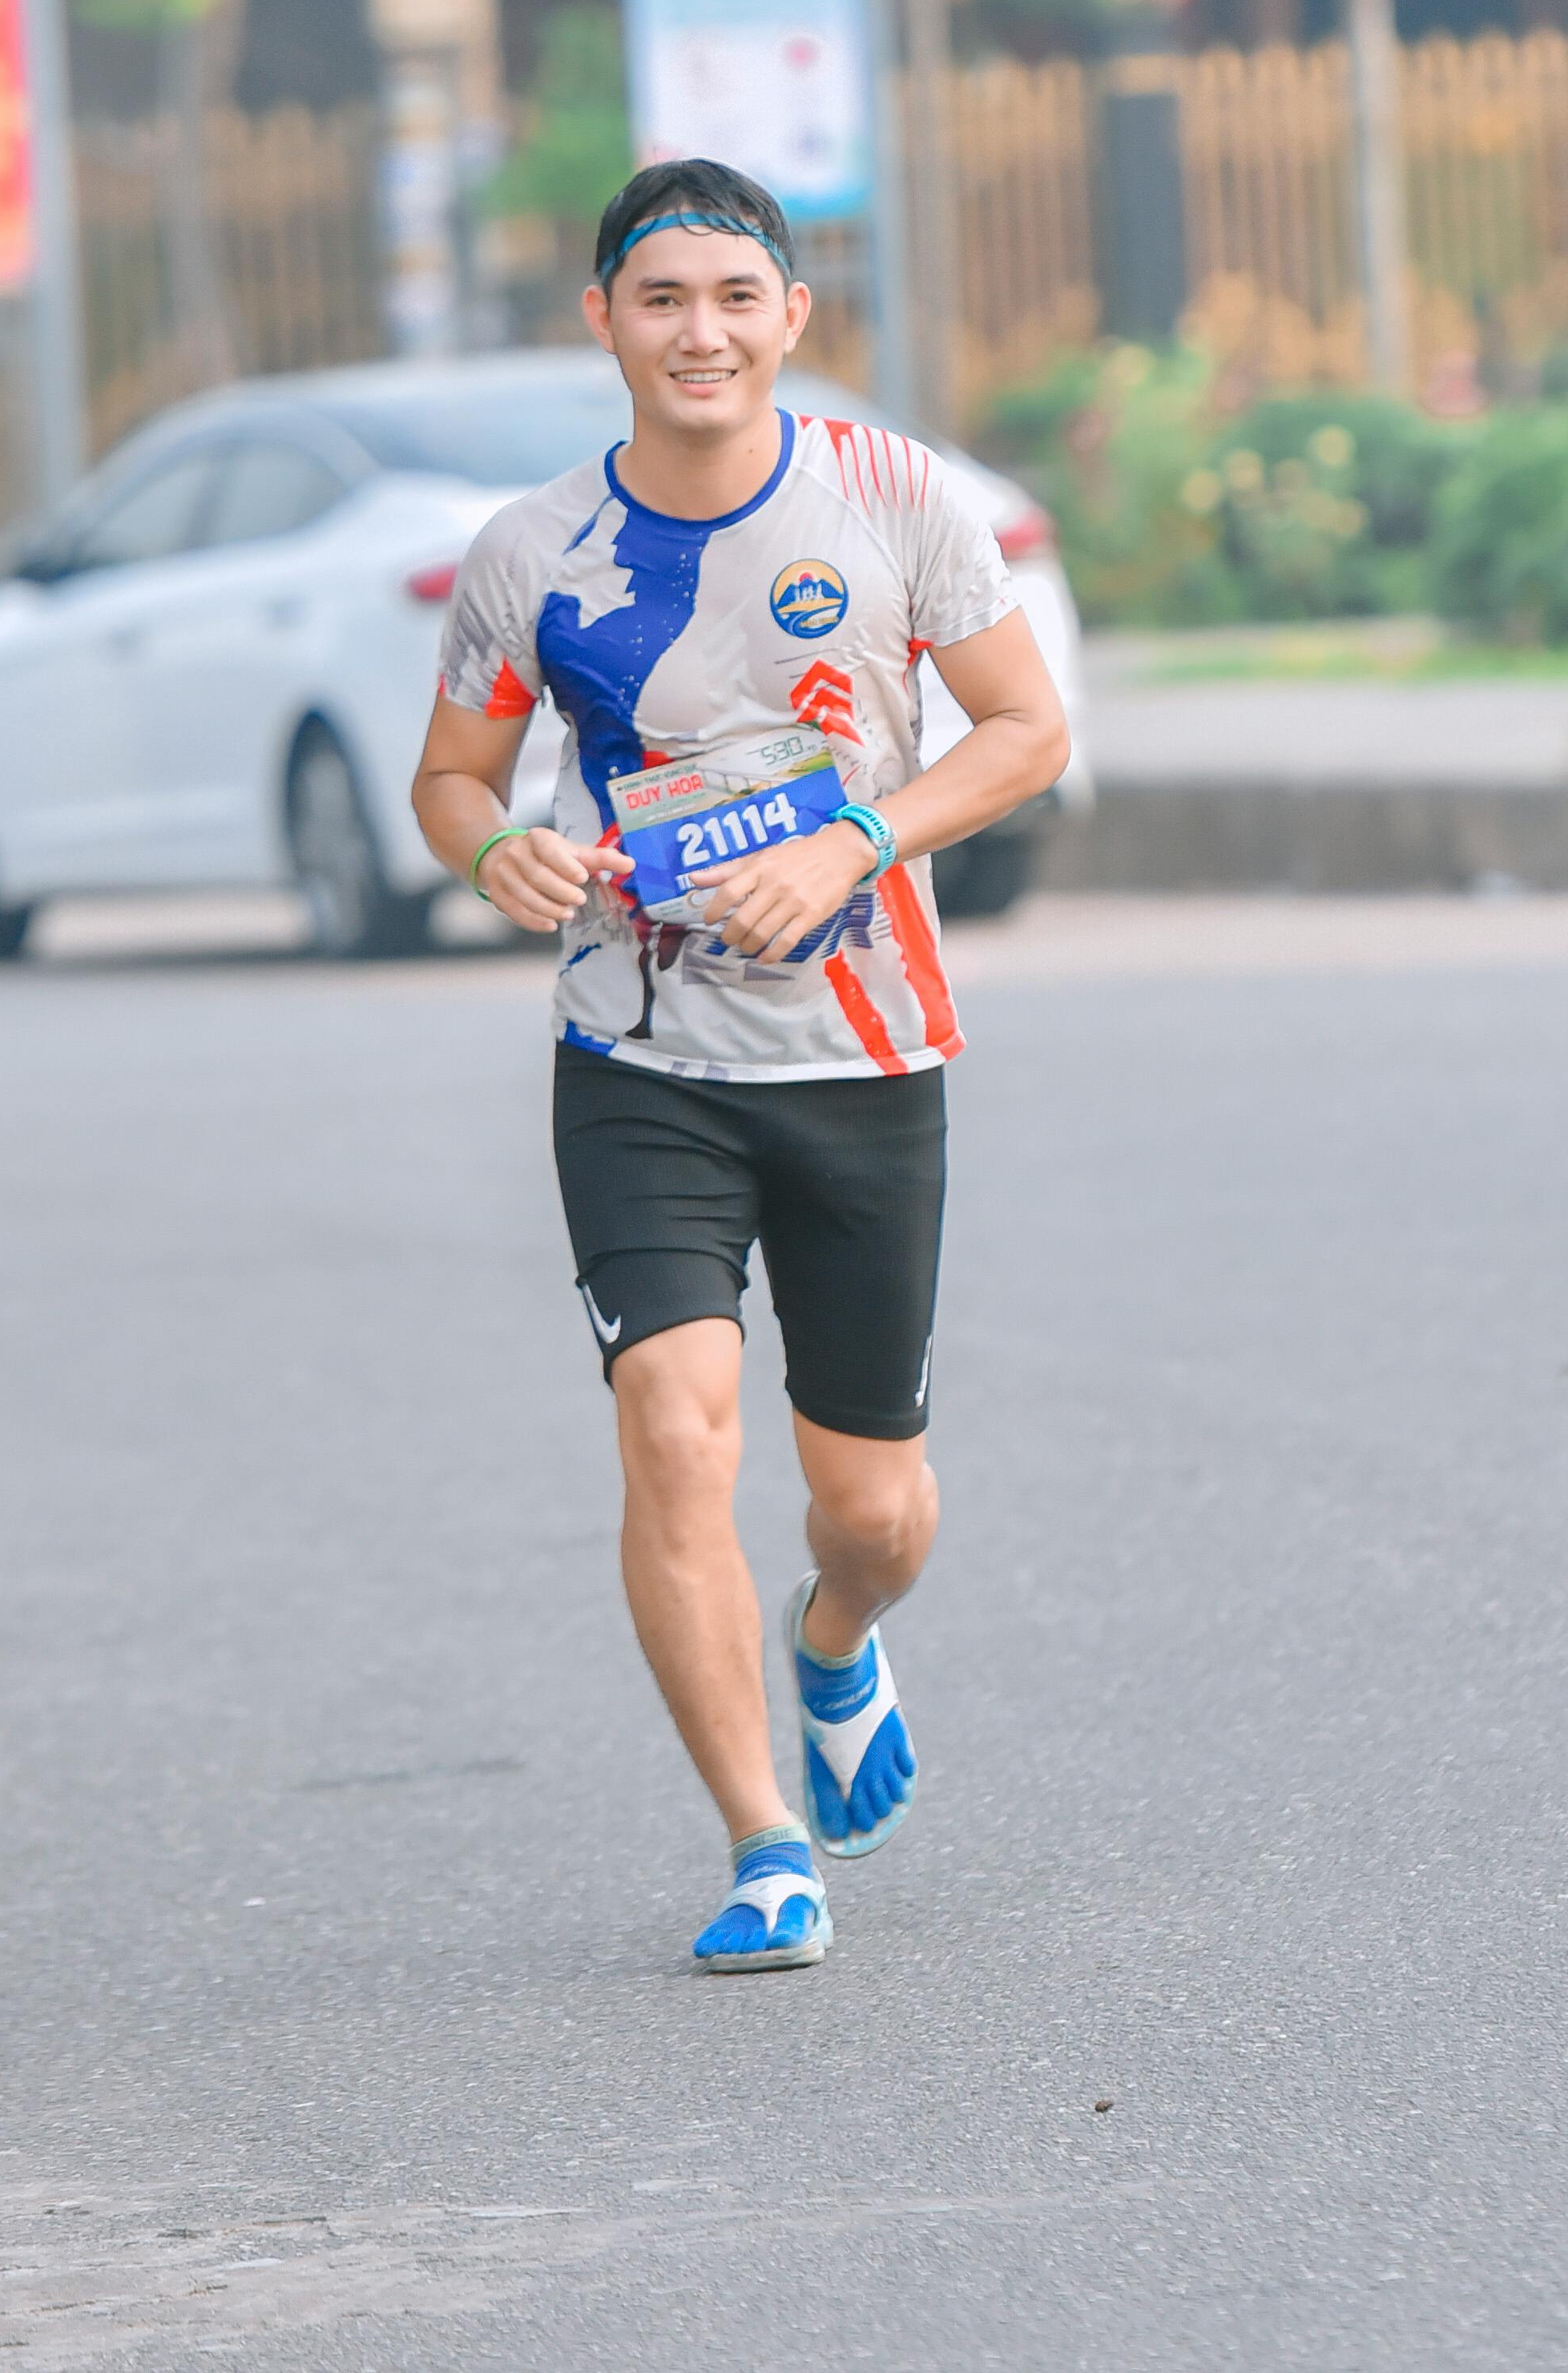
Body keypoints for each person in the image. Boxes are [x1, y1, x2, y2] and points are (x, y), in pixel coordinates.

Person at [412, 157, 1070, 1974]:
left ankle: (836, 1639)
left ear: (790, 315)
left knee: (869, 1508)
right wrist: (489, 853)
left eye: (731, 295)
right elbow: (449, 776)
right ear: (603, 321)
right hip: (633, 1054)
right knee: (670, 1427)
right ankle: (762, 1838)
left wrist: (856, 839)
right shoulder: (529, 553)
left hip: (863, 1053)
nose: (696, 329)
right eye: (657, 296)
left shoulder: (885, 496)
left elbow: (1024, 731)